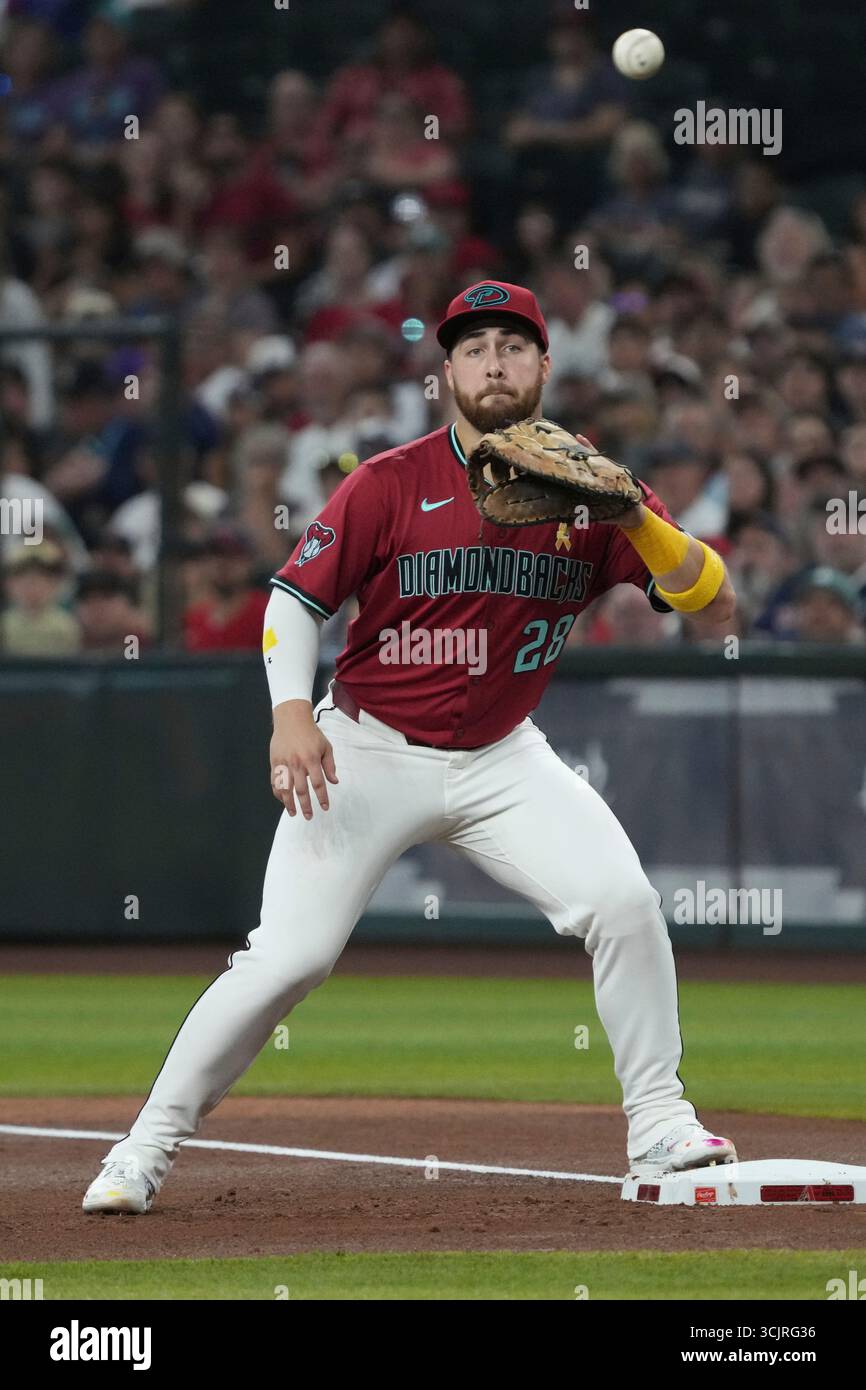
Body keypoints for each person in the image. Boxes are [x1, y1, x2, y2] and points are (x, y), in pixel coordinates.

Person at [83, 279, 738, 1215]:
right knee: (288, 959)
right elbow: (293, 601)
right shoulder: (390, 481)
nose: (494, 362)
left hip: (504, 755)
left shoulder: (594, 487)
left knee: (623, 902)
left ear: (545, 366)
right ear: (448, 373)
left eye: (513, 345)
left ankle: (661, 1120)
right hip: (369, 747)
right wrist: (289, 713)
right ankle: (141, 1150)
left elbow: (711, 602)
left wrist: (635, 513)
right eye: (474, 349)